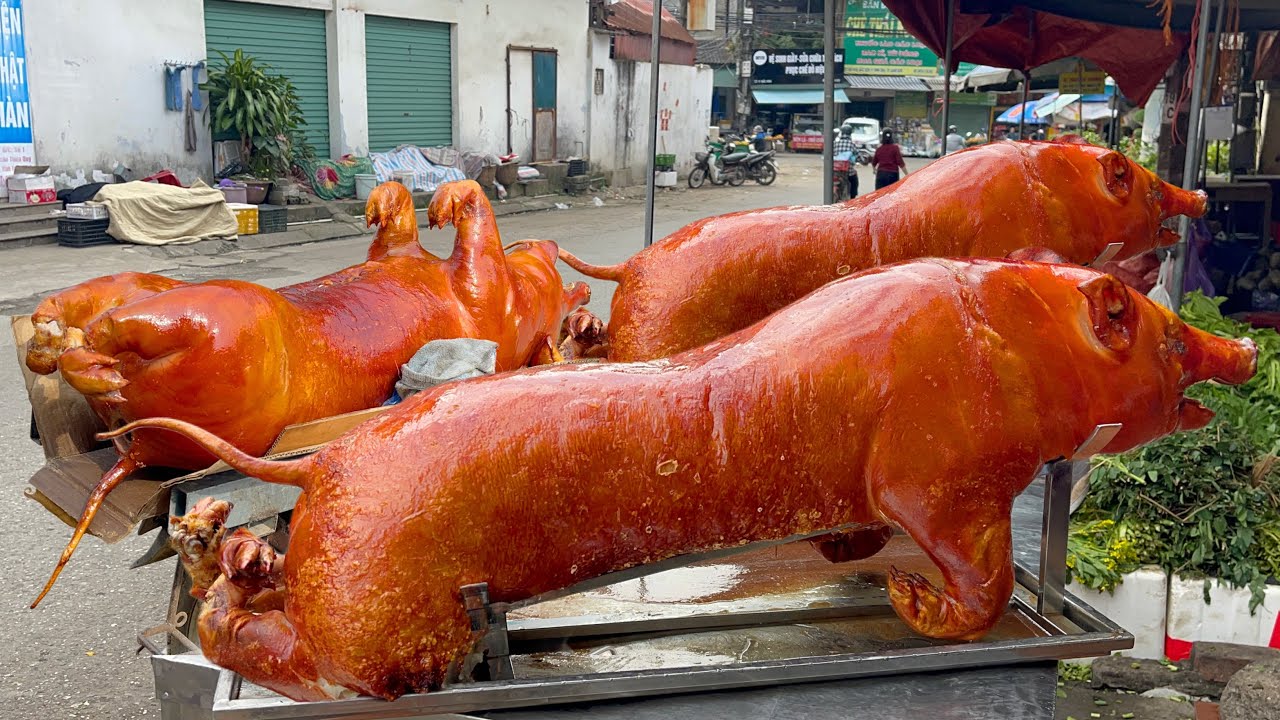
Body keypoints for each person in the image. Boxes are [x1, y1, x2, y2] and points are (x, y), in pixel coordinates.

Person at [831, 123, 859, 199]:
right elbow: (857, 155)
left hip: (835, 171)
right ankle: (853, 198)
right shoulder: (852, 144)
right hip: (848, 172)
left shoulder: (834, 143)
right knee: (854, 181)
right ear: (850, 133)